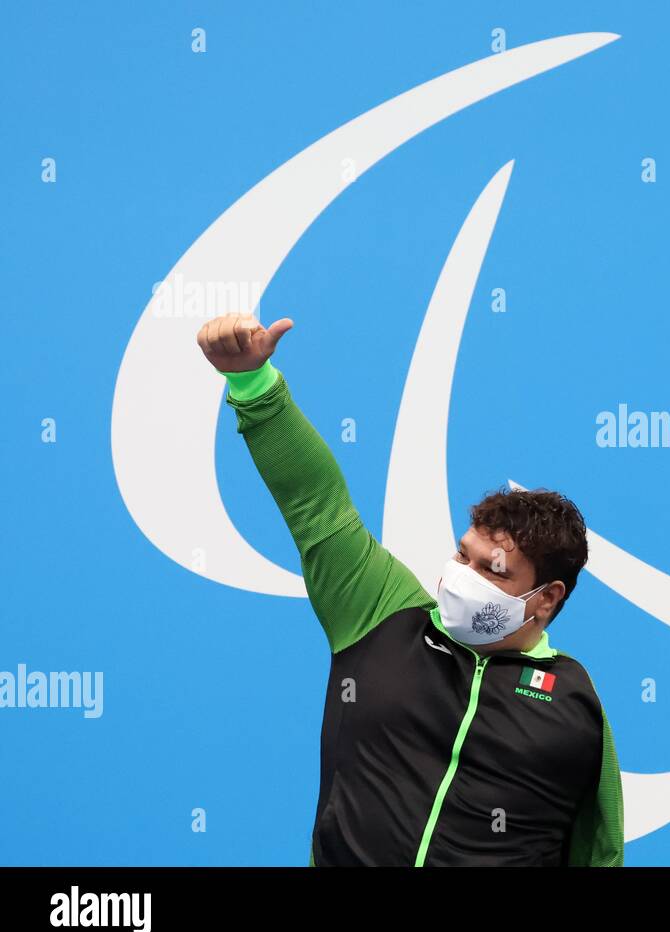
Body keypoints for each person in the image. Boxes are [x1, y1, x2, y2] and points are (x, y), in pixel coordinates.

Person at [196, 312, 624, 866]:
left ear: (546, 598)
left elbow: (601, 854)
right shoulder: (381, 614)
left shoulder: (574, 702)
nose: (463, 577)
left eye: (492, 571)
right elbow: (316, 505)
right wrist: (253, 384)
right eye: (461, 555)